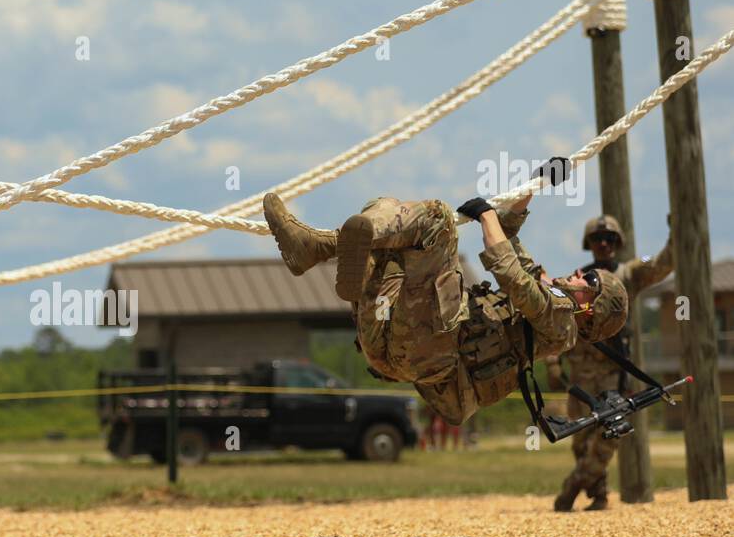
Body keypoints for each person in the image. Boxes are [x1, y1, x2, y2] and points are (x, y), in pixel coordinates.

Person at [261, 181, 628, 427]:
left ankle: (321, 247)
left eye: (591, 280)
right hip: (390, 343)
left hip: (431, 350)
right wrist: (536, 185)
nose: (582, 272)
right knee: (384, 209)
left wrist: (484, 215)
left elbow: (511, 273)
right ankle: (324, 251)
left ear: (592, 310)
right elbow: (512, 240)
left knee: (437, 220)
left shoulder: (561, 325)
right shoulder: (552, 300)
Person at [545, 214, 673, 511]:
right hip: (578, 371)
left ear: (618, 243)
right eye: (598, 239)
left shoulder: (628, 275)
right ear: (588, 244)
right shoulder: (577, 279)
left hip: (612, 373)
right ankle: (598, 494)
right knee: (579, 440)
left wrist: (676, 233)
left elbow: (664, 264)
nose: (604, 244)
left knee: (607, 436)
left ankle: (573, 486)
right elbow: (557, 320)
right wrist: (553, 362)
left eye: (610, 239)